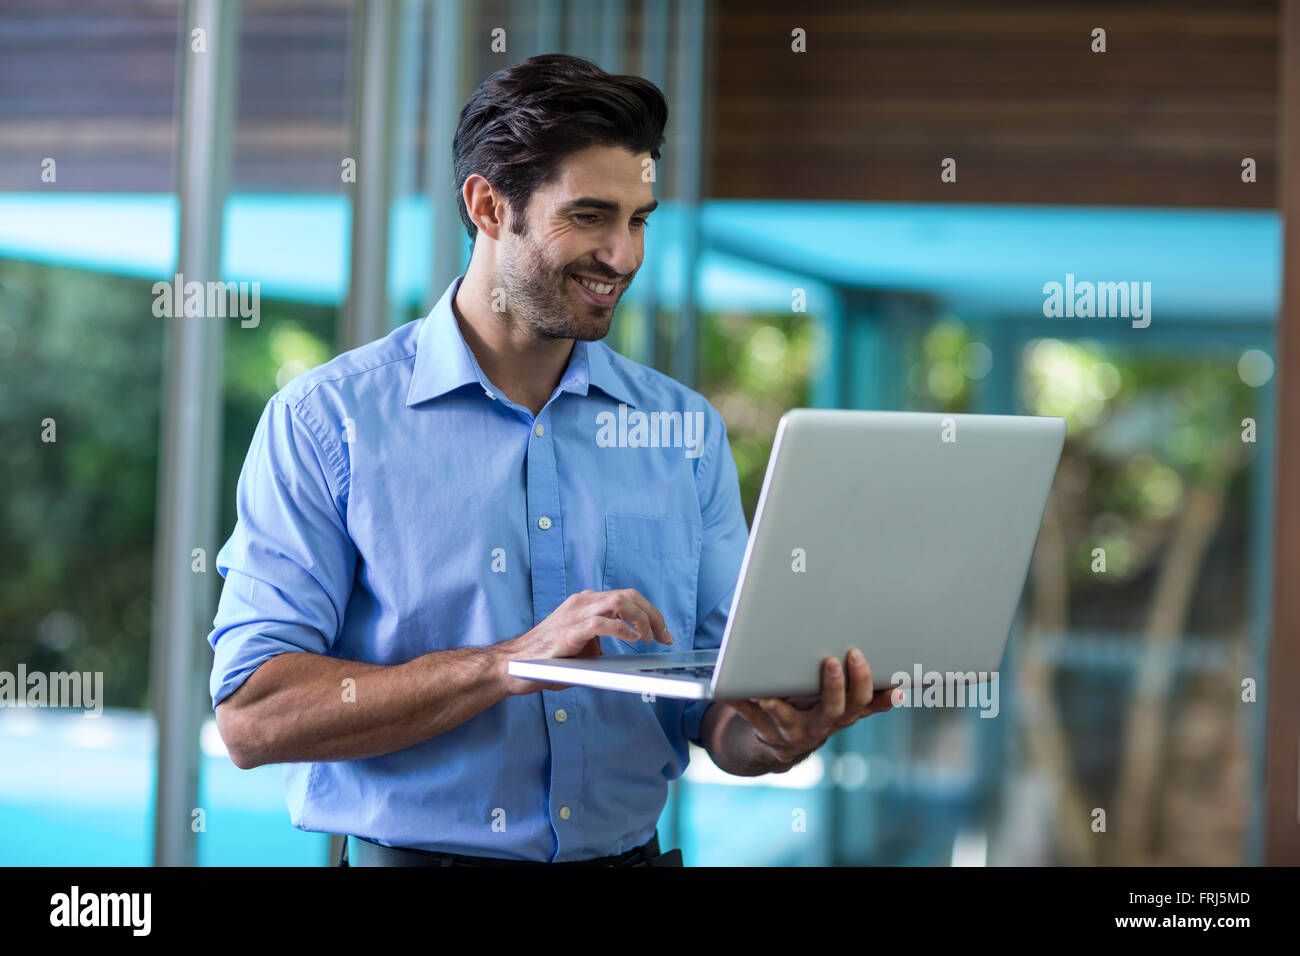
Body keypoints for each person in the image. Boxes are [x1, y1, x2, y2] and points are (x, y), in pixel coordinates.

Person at [208, 53, 894, 868]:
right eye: (591, 216)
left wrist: (778, 734)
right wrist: (505, 665)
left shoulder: (684, 431)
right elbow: (253, 716)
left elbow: (714, 716)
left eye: (639, 219)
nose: (623, 256)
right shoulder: (328, 423)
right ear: (489, 206)